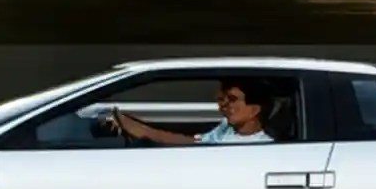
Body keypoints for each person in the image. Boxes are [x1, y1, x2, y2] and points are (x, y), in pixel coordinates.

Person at [108, 77, 275, 145]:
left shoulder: (256, 145)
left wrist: (145, 132)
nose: (224, 106)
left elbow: (191, 145)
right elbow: (196, 143)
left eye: (232, 100)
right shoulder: (227, 127)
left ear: (254, 110)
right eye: (222, 99)